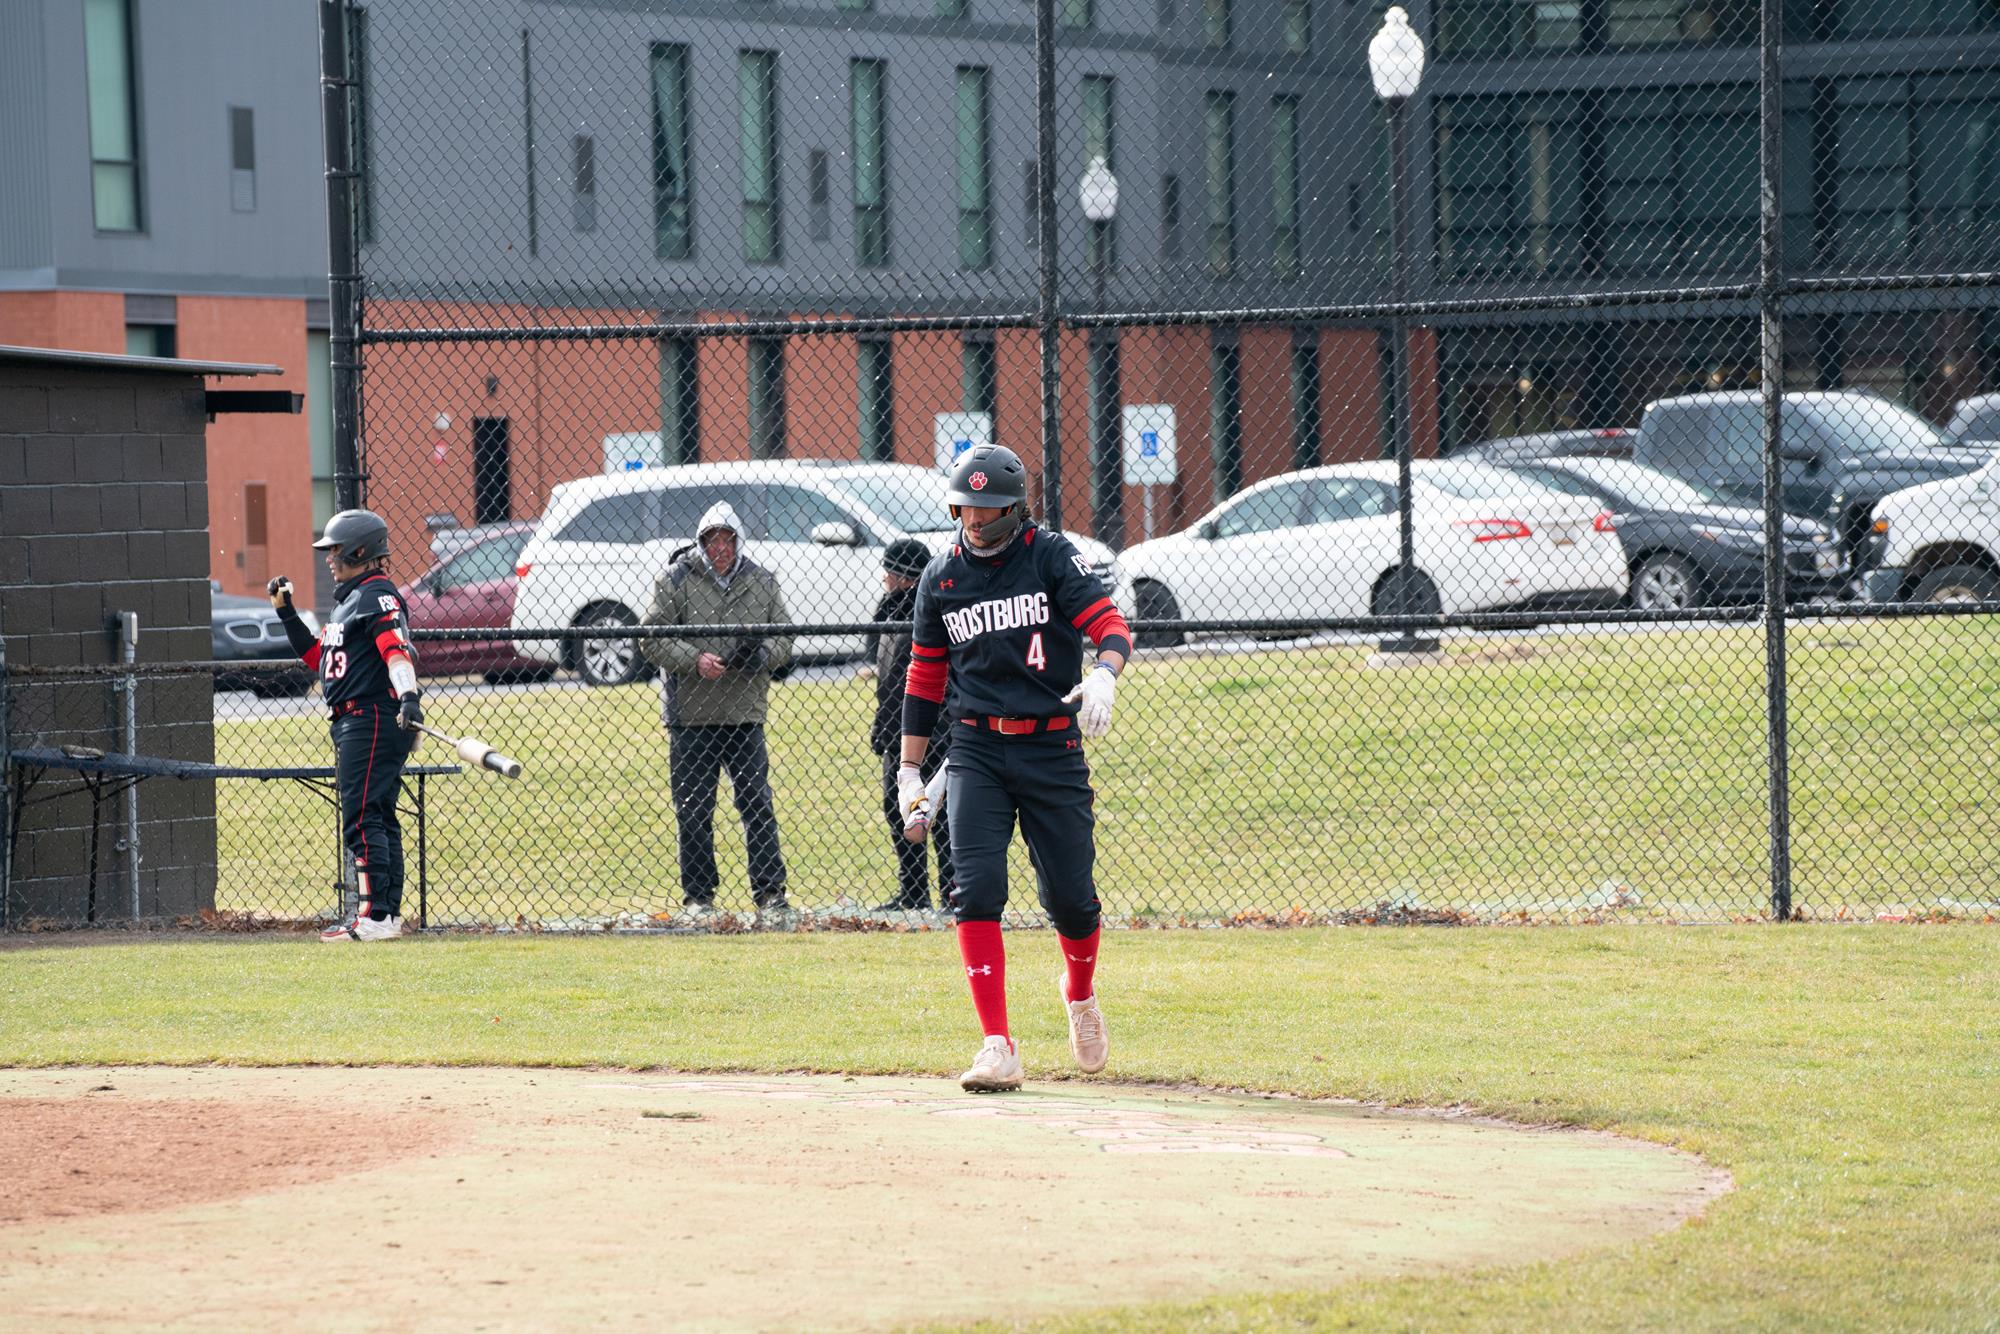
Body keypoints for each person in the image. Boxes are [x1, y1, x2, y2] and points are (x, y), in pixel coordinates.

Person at [896, 445, 1133, 1092]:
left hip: (1052, 744)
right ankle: (997, 1045)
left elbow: (1110, 625)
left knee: (1071, 901)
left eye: (989, 511)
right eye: (965, 509)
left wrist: (1105, 676)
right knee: (974, 890)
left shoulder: (1049, 555)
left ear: (1015, 510)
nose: (975, 522)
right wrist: (909, 771)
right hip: (976, 748)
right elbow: (925, 675)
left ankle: (1079, 993)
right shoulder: (942, 576)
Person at [268, 508, 425, 943]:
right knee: (378, 815)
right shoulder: (350, 600)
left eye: (335, 549)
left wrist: (409, 697)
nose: (328, 558)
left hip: (370, 716)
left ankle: (374, 916)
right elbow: (320, 660)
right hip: (355, 719)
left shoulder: (375, 595)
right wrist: (287, 614)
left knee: (361, 817)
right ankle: (386, 916)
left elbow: (396, 651)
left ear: (360, 549)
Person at [641, 501, 796, 928]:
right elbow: (650, 639)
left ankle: (770, 893)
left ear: (738, 541)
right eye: (713, 541)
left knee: (757, 804)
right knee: (692, 808)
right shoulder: (675, 580)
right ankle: (698, 896)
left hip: (745, 712)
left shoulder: (762, 582)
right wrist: (694, 660)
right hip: (691, 714)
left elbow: (785, 637)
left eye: (728, 540)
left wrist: (758, 656)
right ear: (701, 542)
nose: (721, 549)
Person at [868, 537, 954, 915]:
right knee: (897, 808)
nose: (885, 578)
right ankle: (913, 890)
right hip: (894, 731)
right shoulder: (889, 610)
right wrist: (882, 729)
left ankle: (952, 892)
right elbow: (886, 679)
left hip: (932, 730)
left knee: (942, 815)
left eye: (891, 571)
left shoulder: (928, 610)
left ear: (904, 576)